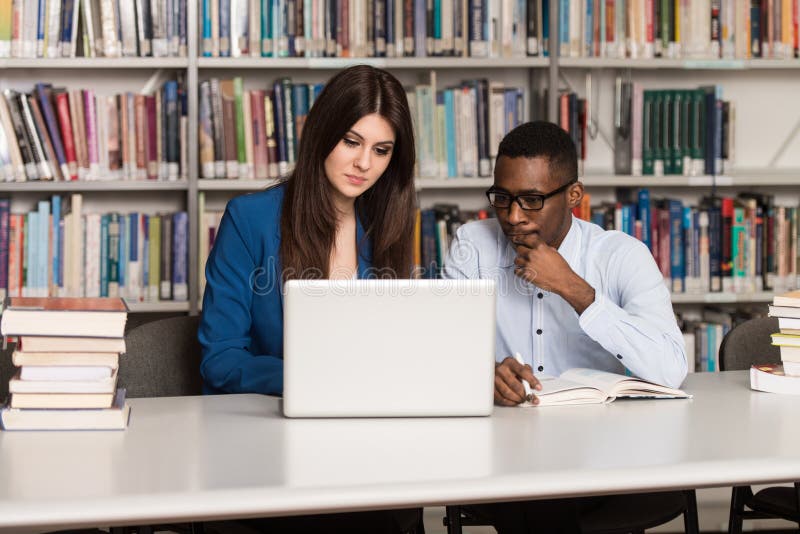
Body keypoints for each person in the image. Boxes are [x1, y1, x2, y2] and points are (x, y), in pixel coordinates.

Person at [198, 65, 420, 534]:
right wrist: (318, 379)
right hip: (274, 443)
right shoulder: (250, 220)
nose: (365, 164)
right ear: (320, 135)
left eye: (382, 150)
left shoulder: (386, 229)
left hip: (366, 441)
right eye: (351, 142)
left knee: (403, 499)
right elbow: (220, 360)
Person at [443, 120, 689, 533]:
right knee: (537, 495)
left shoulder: (621, 256)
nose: (513, 216)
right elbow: (443, 353)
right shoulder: (473, 245)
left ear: (574, 195)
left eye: (532, 200)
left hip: (600, 451)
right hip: (504, 450)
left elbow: (670, 368)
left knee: (546, 499)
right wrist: (484, 374)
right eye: (502, 198)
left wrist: (576, 290)